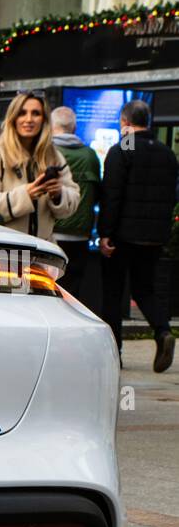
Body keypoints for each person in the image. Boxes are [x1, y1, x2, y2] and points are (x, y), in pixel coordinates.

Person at [99, 99, 177, 372]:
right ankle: (163, 330)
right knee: (144, 288)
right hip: (154, 236)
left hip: (123, 236)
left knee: (113, 292)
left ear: (124, 122)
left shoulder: (125, 148)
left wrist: (105, 233)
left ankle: (114, 353)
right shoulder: (166, 152)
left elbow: (113, 193)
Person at [0, 91, 80, 241]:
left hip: (43, 252)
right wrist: (26, 194)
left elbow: (73, 201)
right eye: (22, 113)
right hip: (6, 251)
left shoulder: (54, 156)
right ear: (13, 118)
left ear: (44, 120)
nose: (29, 119)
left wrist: (58, 194)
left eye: (35, 113)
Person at [49, 105, 101, 305]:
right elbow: (96, 193)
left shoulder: (49, 153)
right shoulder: (90, 155)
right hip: (81, 233)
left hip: (53, 231)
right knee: (73, 288)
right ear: (74, 127)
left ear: (53, 126)